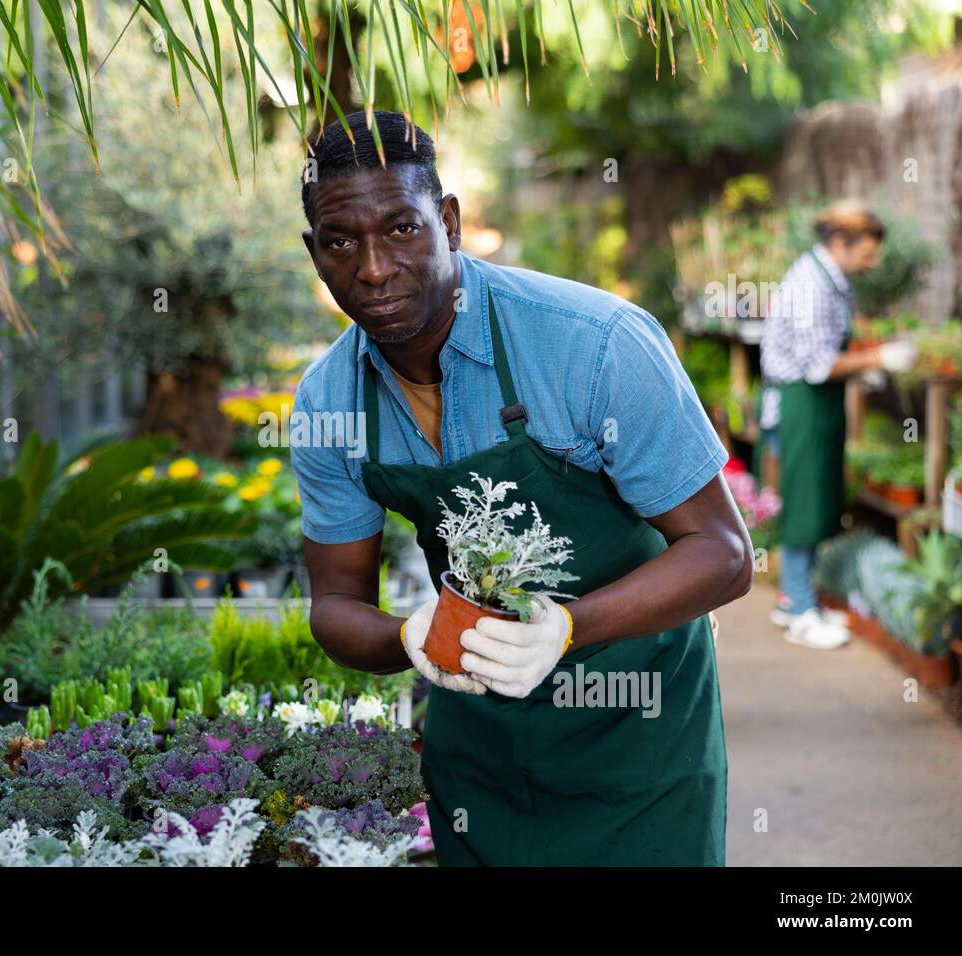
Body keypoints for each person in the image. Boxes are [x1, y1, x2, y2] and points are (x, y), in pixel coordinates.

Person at [289, 111, 753, 866]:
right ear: (316, 255)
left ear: (449, 222)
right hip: (483, 751)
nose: (372, 268)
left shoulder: (593, 344)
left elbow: (725, 555)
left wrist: (563, 630)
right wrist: (407, 640)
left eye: (402, 229)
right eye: (342, 242)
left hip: (639, 727)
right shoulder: (328, 404)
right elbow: (335, 606)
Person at [759, 201, 916, 650]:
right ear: (840, 243)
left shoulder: (833, 280)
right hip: (800, 402)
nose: (873, 262)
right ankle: (799, 611)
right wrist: (877, 358)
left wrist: (862, 364)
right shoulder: (811, 284)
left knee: (815, 498)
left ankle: (799, 601)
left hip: (817, 403)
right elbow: (815, 365)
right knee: (804, 504)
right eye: (867, 253)